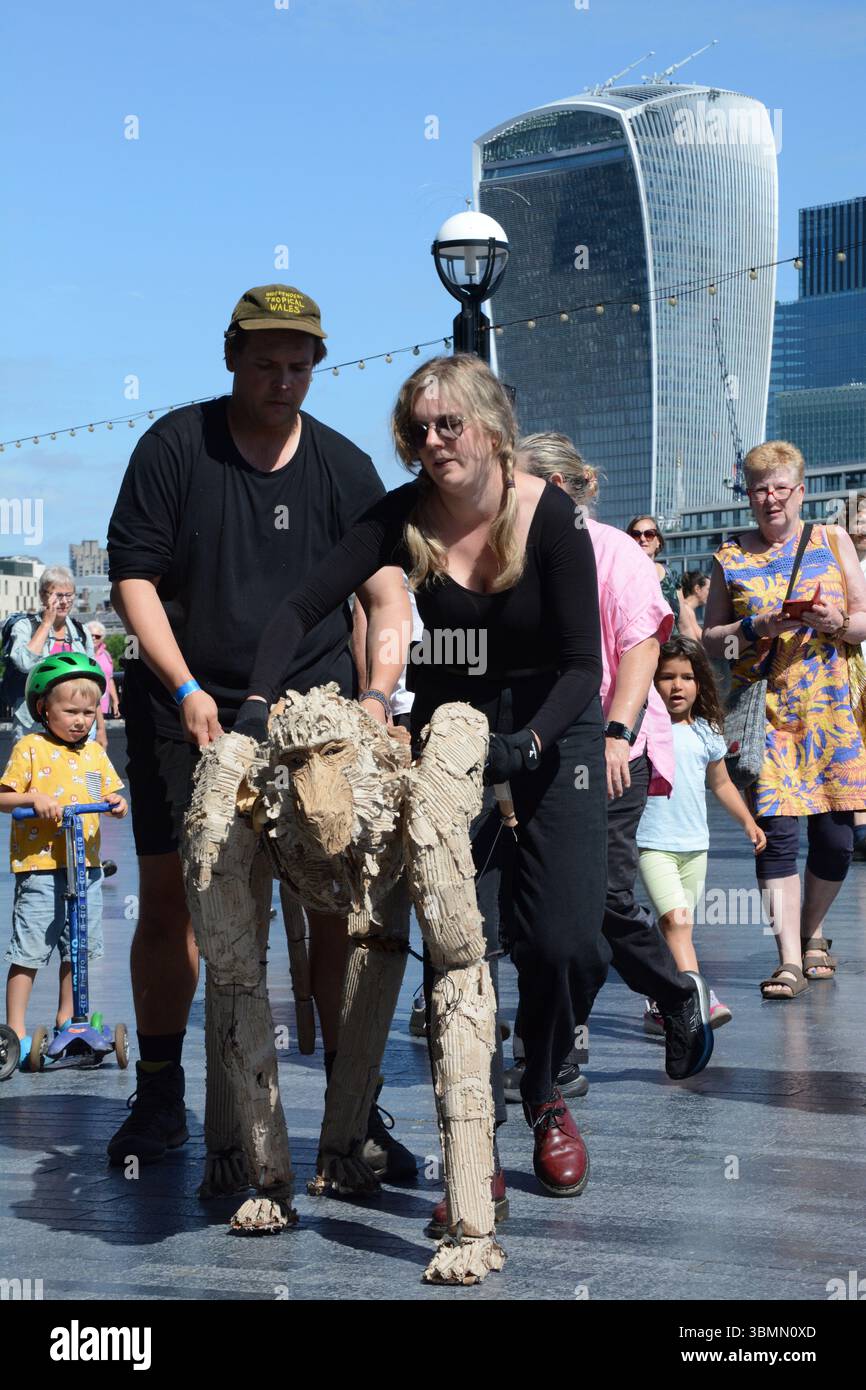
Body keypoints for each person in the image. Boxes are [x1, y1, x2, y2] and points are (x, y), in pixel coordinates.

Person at [238, 358, 714, 1215]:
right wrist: (252, 707)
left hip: (551, 728)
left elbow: (582, 663)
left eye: (448, 424)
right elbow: (296, 607)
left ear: (492, 428)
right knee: (466, 946)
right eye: (416, 430)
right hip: (454, 734)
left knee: (568, 944)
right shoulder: (402, 515)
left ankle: (544, 1091)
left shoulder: (550, 514)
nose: (431, 442)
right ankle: (474, 1131)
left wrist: (527, 747)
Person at [105, 283, 413, 1173]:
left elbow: (388, 593)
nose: (283, 381)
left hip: (312, 718)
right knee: (176, 905)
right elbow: (134, 581)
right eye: (267, 363)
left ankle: (354, 1109)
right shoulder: (173, 446)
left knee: (338, 912)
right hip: (188, 709)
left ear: (317, 367)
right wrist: (187, 685)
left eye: (300, 365)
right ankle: (161, 1094)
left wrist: (379, 691)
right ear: (231, 355)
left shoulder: (345, 469)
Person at [519, 434, 715, 1085]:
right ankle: (551, 1044)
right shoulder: (515, 555)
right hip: (540, 751)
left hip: (613, 750)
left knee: (600, 899)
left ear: (559, 489)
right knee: (543, 908)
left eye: (521, 486)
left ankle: (672, 994)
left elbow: (642, 650)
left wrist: (615, 732)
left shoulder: (618, 554)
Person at [703, 441, 866, 998]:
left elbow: (864, 621)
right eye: (758, 489)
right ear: (748, 496)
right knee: (776, 838)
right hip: (769, 716)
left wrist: (836, 620)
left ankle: (810, 929)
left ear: (800, 491)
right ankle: (789, 960)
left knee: (837, 842)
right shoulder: (729, 558)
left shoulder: (831, 540)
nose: (770, 498)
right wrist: (757, 628)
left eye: (779, 488)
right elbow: (710, 642)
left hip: (833, 716)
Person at [0, 653, 127, 1068]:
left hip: (85, 868)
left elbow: (107, 792)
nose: (80, 720)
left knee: (79, 949)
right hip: (41, 867)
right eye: (70, 711)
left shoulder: (93, 754)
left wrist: (115, 802)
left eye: (89, 713)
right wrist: (32, 798)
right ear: (43, 709)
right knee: (31, 948)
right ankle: (14, 1031)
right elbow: (4, 797)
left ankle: (69, 1019)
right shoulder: (30, 748)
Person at [637, 636, 767, 1033]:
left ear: (700, 684)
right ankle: (698, 999)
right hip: (652, 844)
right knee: (678, 923)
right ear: (649, 681)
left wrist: (748, 820)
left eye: (687, 677)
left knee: (677, 926)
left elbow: (723, 784)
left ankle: (661, 1003)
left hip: (695, 847)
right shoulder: (640, 729)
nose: (677, 686)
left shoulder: (707, 733)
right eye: (666, 677)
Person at [3, 567, 107, 749]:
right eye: (58, 596)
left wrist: (100, 730)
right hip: (34, 721)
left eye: (69, 595)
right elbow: (24, 663)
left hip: (79, 725)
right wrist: (46, 623)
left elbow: (92, 685)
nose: (64, 602)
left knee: (80, 776)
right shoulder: (24, 627)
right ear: (43, 596)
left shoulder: (81, 632)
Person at [625, 516, 693, 636]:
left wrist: (694, 653)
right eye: (636, 534)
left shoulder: (670, 574)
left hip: (673, 651)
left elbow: (684, 625)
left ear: (658, 542)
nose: (642, 539)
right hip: (641, 651)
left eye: (649, 534)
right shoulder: (623, 576)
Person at [845, 495, 866, 861]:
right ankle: (859, 825)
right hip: (849, 668)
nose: (862, 526)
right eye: (857, 518)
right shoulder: (837, 564)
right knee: (854, 745)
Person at [87, 623, 120, 718]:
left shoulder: (106, 655)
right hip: (86, 703)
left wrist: (115, 701)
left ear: (102, 638)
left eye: (97, 636)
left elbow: (109, 679)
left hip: (103, 704)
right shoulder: (81, 653)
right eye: (90, 635)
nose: (93, 638)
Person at [680, 571, 711, 637]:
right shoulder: (687, 609)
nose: (711, 593)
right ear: (697, 589)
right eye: (709, 589)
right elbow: (701, 638)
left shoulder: (686, 608)